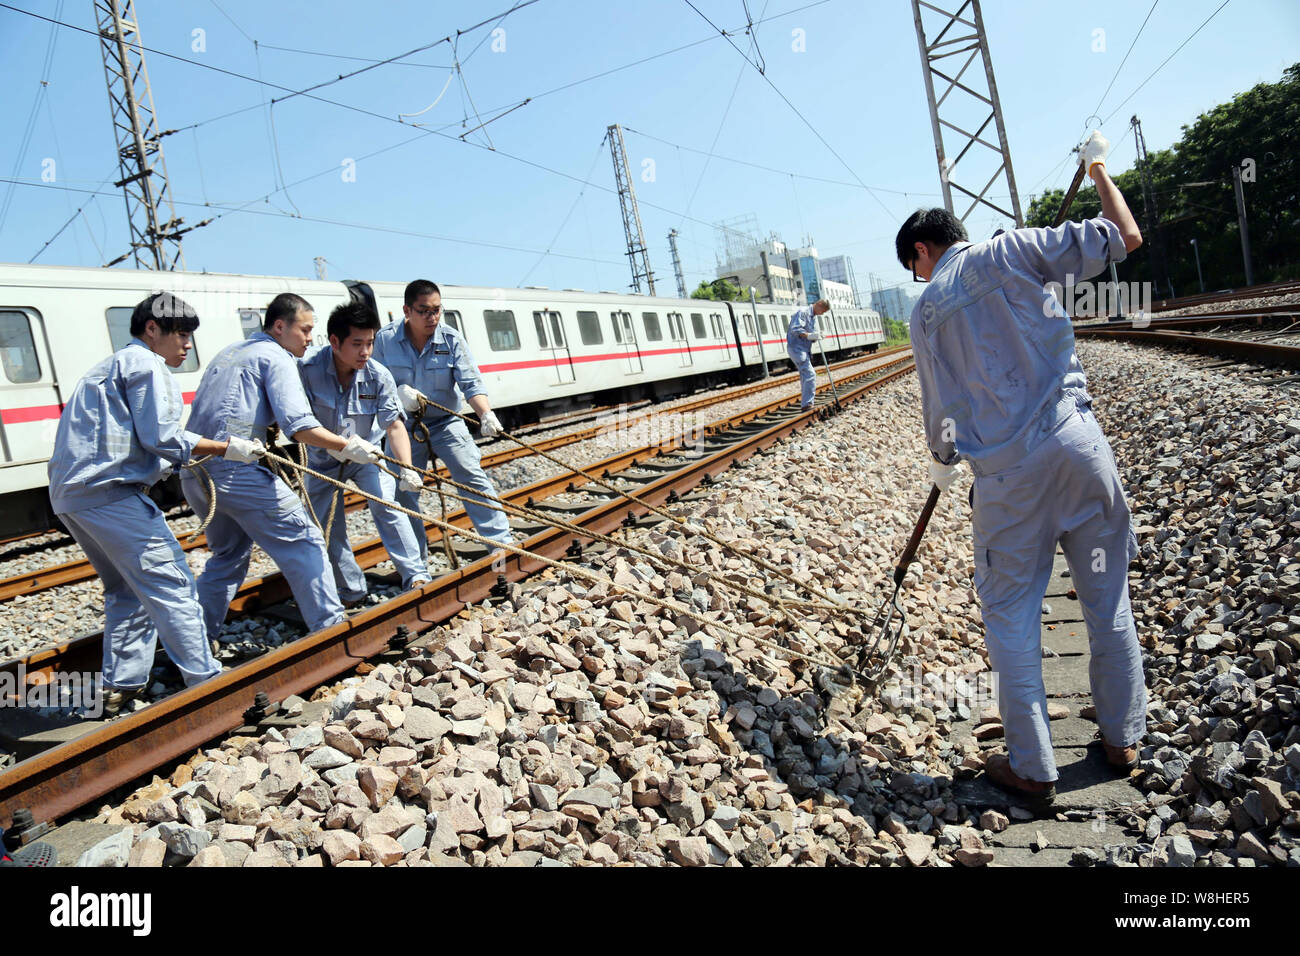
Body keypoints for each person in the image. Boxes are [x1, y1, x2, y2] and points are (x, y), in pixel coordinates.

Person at [895, 130, 1147, 809]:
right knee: (1107, 600)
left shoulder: (925, 313)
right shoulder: (1013, 249)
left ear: (923, 250)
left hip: (1007, 480)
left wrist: (946, 462)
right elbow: (1124, 235)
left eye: (914, 267)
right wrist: (1097, 167)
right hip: (1078, 446)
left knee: (1009, 615)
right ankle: (1122, 739)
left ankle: (1034, 768)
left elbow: (941, 413)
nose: (919, 279)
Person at [47, 292, 251, 715]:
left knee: (125, 588)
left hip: (73, 496)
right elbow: (161, 437)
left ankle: (120, 684)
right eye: (179, 334)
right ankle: (207, 683)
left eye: (190, 335)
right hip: (111, 493)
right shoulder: (145, 364)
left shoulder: (105, 368)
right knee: (172, 584)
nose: (187, 344)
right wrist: (226, 447)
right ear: (152, 330)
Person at [179, 292, 380, 641]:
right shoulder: (275, 356)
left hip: (195, 470)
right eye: (304, 329)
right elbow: (299, 427)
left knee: (227, 556)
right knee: (305, 540)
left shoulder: (228, 353)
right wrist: (348, 445)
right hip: (233, 470)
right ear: (279, 326)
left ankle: (192, 641)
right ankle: (330, 633)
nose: (309, 338)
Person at [299, 300, 431, 603]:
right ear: (334, 342)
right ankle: (351, 590)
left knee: (387, 505)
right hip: (322, 458)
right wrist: (334, 445)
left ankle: (416, 574)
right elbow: (298, 421)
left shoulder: (378, 375)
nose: (365, 352)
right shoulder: (306, 371)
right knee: (325, 523)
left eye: (370, 343)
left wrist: (407, 468)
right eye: (357, 344)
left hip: (367, 457)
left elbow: (394, 426)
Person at [372, 279, 513, 558]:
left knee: (471, 475)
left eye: (437, 310)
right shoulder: (385, 341)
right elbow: (374, 384)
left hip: (445, 423)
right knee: (402, 489)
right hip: (403, 427)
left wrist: (486, 414)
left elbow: (470, 383)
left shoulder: (451, 339)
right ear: (407, 311)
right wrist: (397, 396)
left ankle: (501, 545)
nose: (432, 317)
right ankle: (415, 563)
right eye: (424, 311)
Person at [787, 299, 829, 411]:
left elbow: (809, 334)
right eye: (823, 311)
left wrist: (816, 336)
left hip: (803, 350)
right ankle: (807, 405)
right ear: (819, 305)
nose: (822, 314)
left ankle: (806, 404)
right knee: (810, 375)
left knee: (805, 376)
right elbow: (795, 329)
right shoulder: (803, 312)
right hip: (797, 348)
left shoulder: (812, 317)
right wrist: (810, 336)